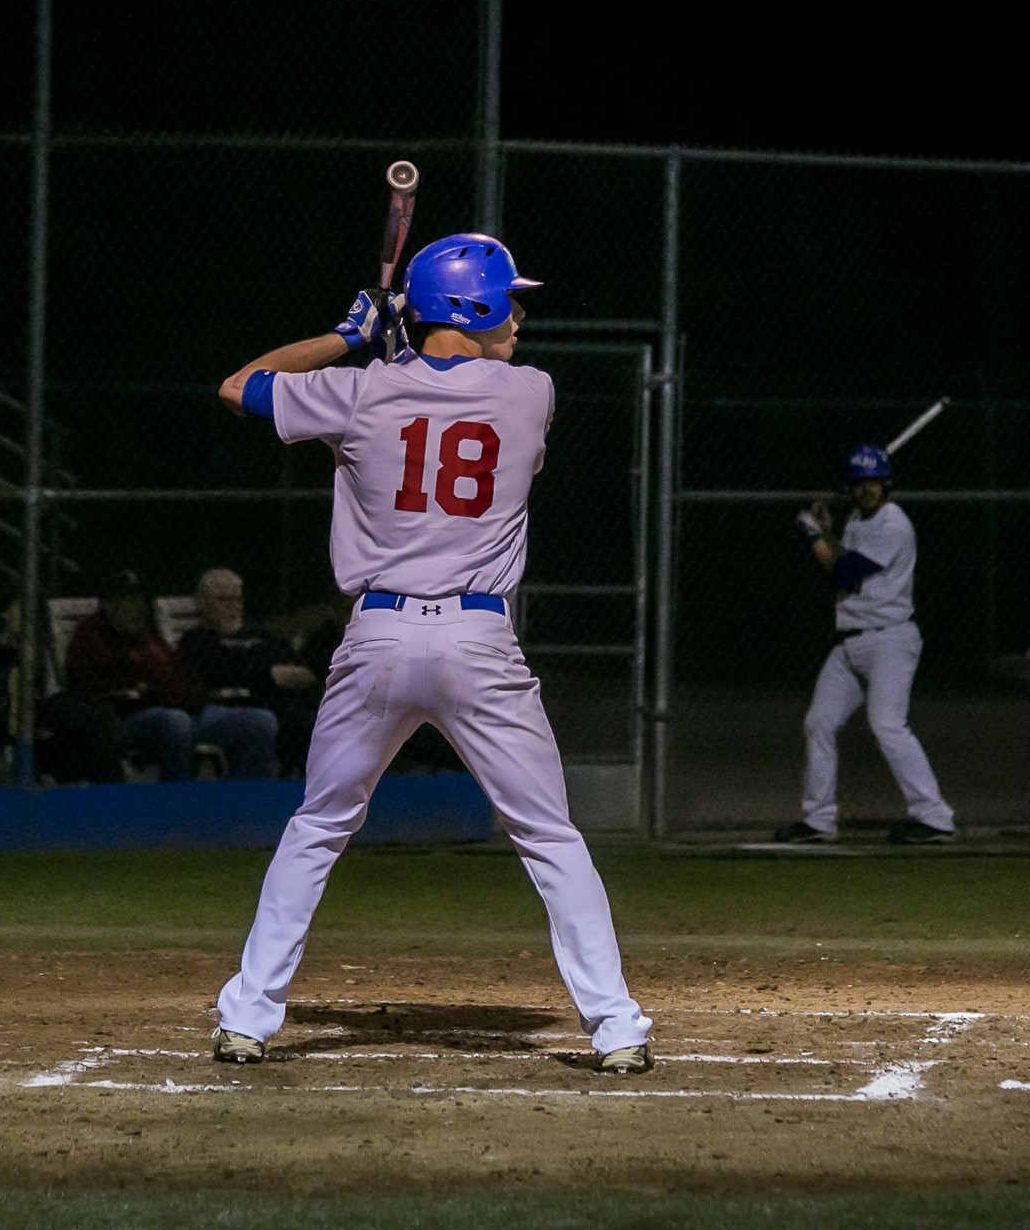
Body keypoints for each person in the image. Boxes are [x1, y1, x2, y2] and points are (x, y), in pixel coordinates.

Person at [208, 232, 653, 1074]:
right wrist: (387, 357)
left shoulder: (356, 390)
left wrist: (347, 338)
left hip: (375, 635)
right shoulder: (531, 394)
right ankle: (617, 1024)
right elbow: (461, 409)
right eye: (506, 300)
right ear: (472, 305)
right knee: (549, 834)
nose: (518, 317)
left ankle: (249, 1017)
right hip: (480, 641)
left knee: (318, 825)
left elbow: (236, 387)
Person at [777, 444, 957, 845]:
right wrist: (826, 532)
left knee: (888, 725)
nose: (867, 490)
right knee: (819, 723)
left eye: (873, 481)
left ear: (886, 483)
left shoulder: (895, 524)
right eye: (859, 483)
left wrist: (811, 535)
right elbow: (846, 555)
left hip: (890, 639)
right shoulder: (858, 519)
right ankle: (819, 819)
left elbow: (845, 571)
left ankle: (934, 816)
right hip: (851, 642)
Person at [65, 568, 279, 781]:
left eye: (138, 599)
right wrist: (154, 684)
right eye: (126, 600)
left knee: (260, 721)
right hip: (129, 718)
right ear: (107, 604)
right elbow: (91, 684)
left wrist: (188, 692)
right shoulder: (91, 635)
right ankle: (176, 807)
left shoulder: (148, 636)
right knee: (176, 722)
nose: (136, 607)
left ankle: (242, 805)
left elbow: (179, 673)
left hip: (186, 709)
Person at [175, 567, 314, 778]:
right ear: (202, 604)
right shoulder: (195, 640)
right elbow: (221, 673)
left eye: (238, 600)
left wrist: (261, 673)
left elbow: (305, 672)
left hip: (280, 704)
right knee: (275, 724)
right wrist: (270, 674)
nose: (234, 607)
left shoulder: (261, 637)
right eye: (224, 600)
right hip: (235, 709)